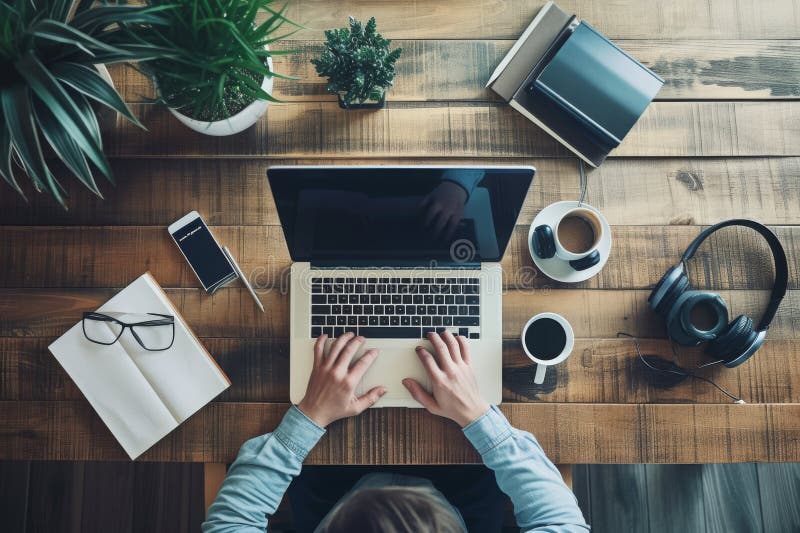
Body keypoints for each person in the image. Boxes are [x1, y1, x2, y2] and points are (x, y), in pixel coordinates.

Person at [202, 331, 589, 532]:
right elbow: (561, 524)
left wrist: (309, 415)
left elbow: (231, 523)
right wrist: (476, 413)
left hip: (330, 494)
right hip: (464, 496)